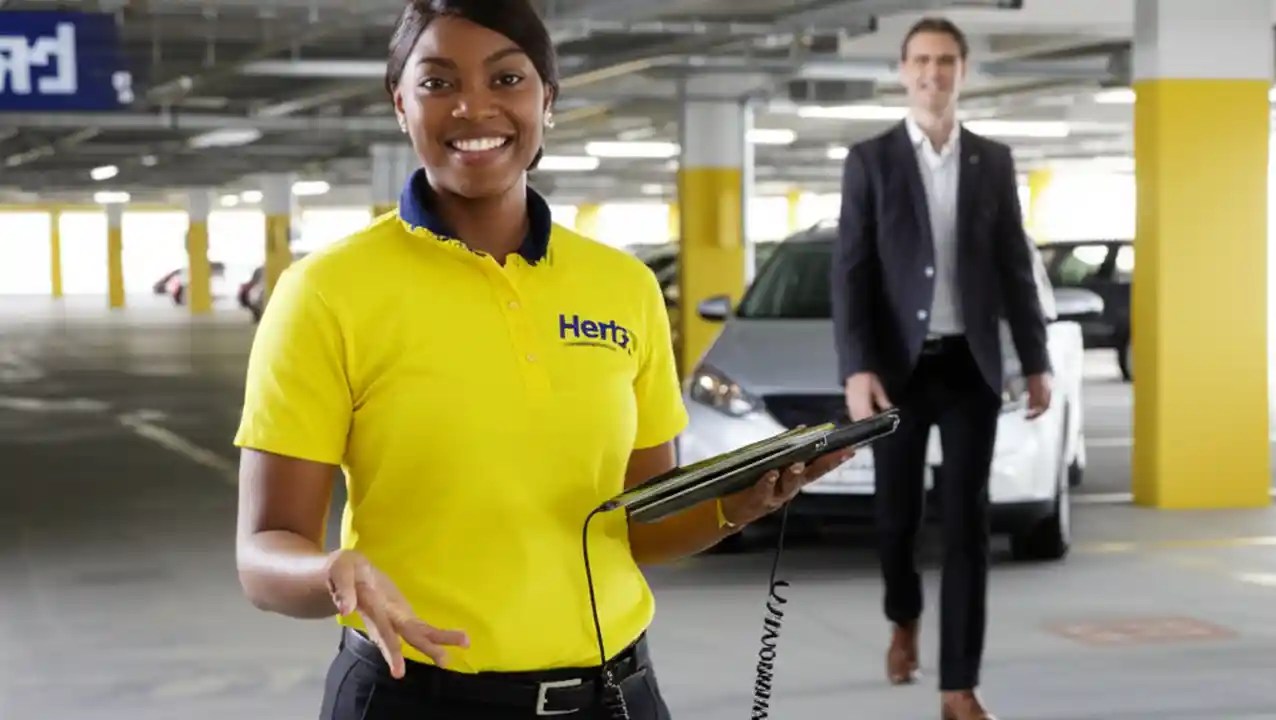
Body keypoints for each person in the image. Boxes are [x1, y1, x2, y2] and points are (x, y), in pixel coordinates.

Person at [232, 1, 856, 718]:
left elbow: (643, 524)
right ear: (399, 104)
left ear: (547, 102)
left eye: (507, 79)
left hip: (615, 694)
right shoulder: (326, 292)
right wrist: (332, 574)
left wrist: (735, 506)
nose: (473, 107)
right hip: (416, 698)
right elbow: (263, 556)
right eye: (437, 83)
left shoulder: (622, 287)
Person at [830, 16, 1052, 720]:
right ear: (903, 71)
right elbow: (852, 272)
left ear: (962, 70)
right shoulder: (871, 160)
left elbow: (1016, 268)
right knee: (897, 520)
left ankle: (959, 684)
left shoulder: (993, 160)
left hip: (970, 369)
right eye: (922, 60)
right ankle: (904, 615)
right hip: (897, 371)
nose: (934, 72)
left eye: (946, 60)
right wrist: (856, 367)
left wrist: (1037, 359)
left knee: (966, 525)